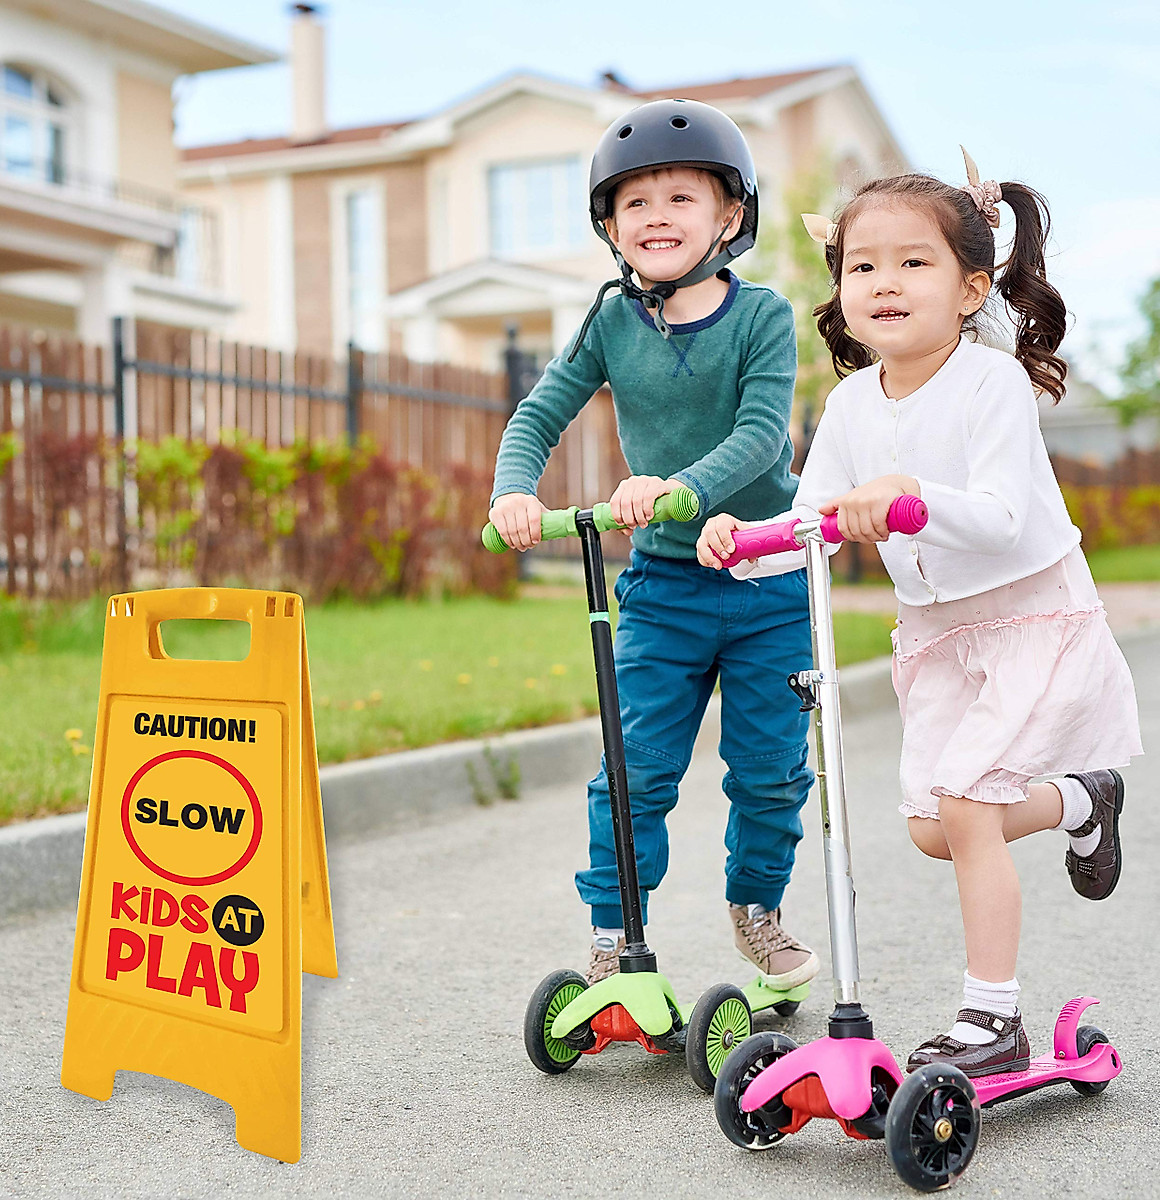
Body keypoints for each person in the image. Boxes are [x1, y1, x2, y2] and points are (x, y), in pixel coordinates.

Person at [698, 151, 1142, 1076]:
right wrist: (746, 540)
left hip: (1029, 617)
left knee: (969, 806)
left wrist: (908, 495)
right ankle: (1078, 800)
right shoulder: (852, 401)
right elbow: (811, 519)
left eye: (913, 263)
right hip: (938, 635)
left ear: (972, 287)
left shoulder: (992, 385)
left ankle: (992, 1016)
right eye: (862, 266)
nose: (883, 283)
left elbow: (1002, 518)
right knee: (932, 827)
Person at [489, 98, 821, 991]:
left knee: (766, 770)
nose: (657, 216)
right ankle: (616, 933)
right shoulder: (610, 322)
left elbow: (762, 437)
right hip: (665, 592)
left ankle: (757, 908)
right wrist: (513, 490)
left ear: (729, 217)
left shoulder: (761, 316)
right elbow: (539, 412)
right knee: (634, 769)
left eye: (682, 197)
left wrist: (679, 491)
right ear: (611, 226)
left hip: (766, 582)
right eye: (635, 202)